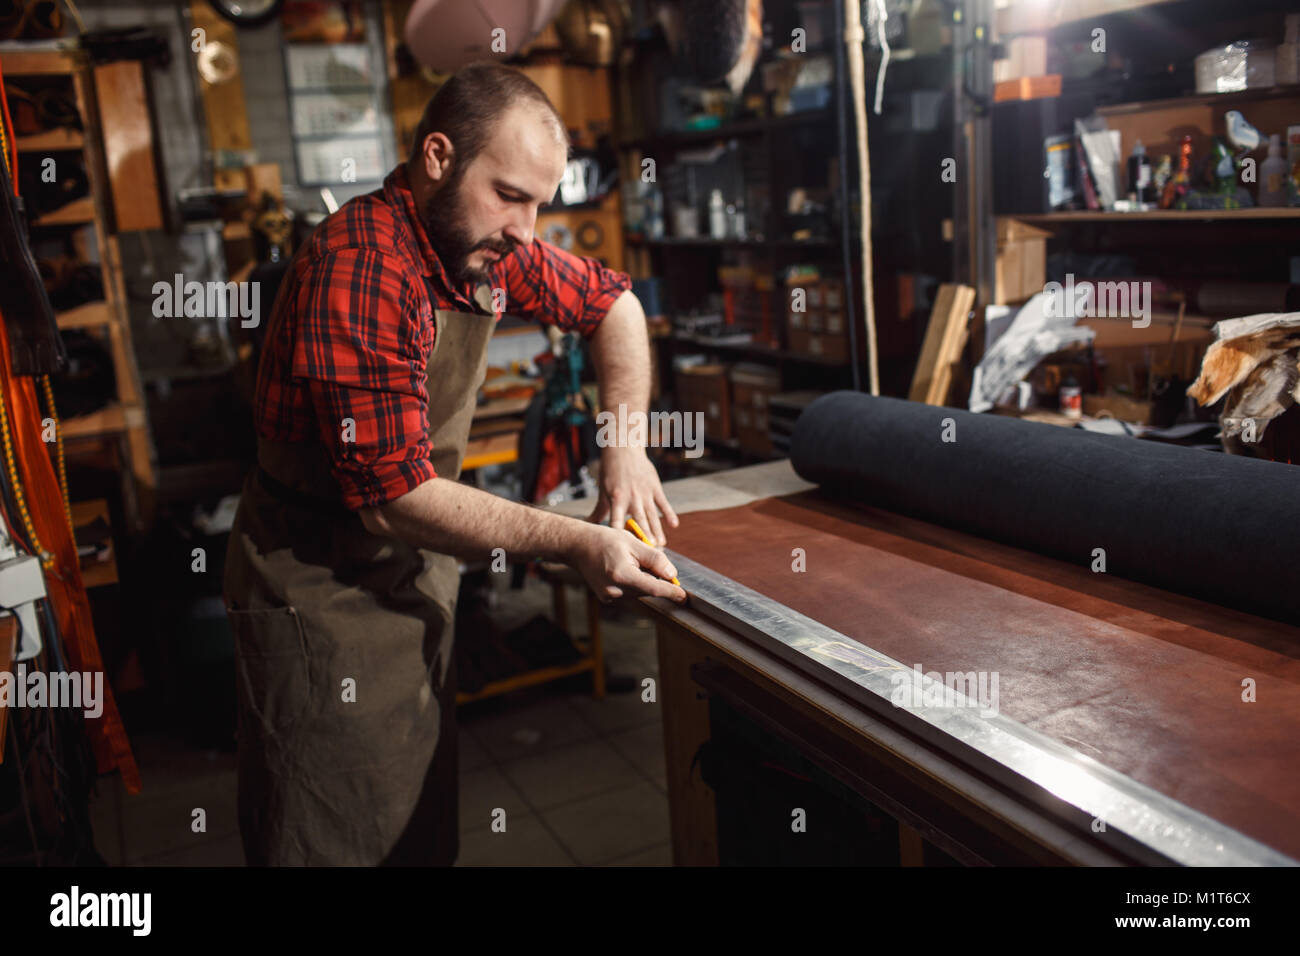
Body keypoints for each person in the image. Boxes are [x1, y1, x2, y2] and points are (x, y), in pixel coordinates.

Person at [222, 62, 685, 866]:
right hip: (320, 591)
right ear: (437, 157)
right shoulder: (362, 267)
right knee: (328, 829)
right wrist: (574, 540)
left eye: (539, 203)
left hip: (411, 576)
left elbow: (617, 303)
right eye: (510, 195)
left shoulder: (484, 247)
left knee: (414, 823)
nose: (526, 229)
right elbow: (394, 498)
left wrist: (625, 445)